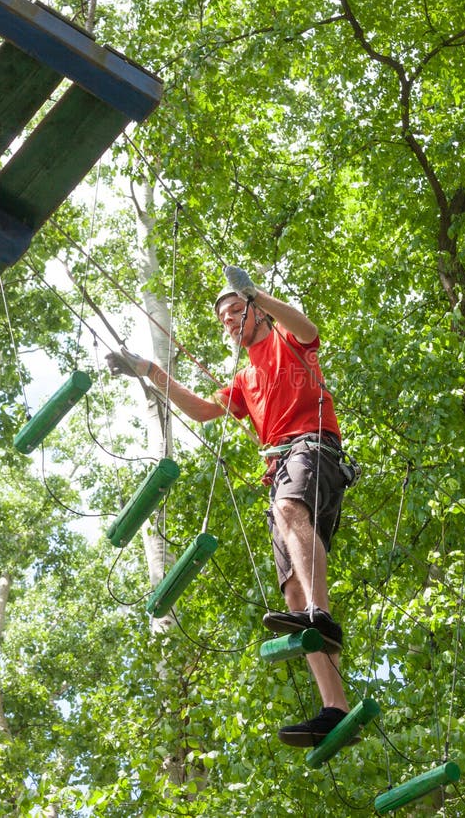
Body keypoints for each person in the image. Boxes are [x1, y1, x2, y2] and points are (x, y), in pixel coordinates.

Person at [106, 266, 354, 747]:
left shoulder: (286, 340)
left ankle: (320, 615)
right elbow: (202, 409)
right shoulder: (243, 379)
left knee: (288, 514)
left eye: (236, 310)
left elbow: (308, 328)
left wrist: (256, 292)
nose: (230, 321)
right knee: (291, 597)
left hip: (313, 448)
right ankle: (335, 707)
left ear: (256, 310)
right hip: (283, 466)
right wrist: (149, 371)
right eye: (223, 318)